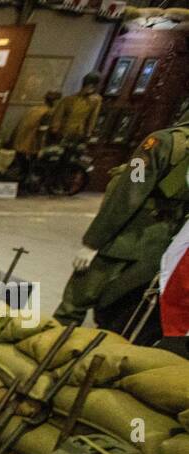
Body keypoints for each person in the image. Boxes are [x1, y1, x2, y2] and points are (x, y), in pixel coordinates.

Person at [56, 108, 189, 341]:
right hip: (161, 245)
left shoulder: (160, 142)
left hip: (123, 239)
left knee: (73, 307)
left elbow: (128, 193)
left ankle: (49, 352)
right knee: (118, 315)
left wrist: (93, 242)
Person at [50, 72, 103, 146]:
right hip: (70, 132)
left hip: (75, 133)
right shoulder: (69, 99)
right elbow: (92, 118)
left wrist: (88, 132)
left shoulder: (95, 100)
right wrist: (88, 133)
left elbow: (92, 118)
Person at [11, 90, 61, 157]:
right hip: (31, 144)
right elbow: (42, 130)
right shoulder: (48, 113)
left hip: (20, 142)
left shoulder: (34, 109)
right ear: (55, 102)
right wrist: (40, 148)